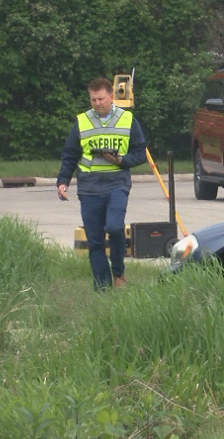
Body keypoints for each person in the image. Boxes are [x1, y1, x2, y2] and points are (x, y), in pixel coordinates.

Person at [57, 78, 147, 291]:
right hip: (89, 188)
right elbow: (70, 155)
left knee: (115, 227)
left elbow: (140, 153)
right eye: (93, 99)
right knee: (95, 241)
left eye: (101, 99)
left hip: (117, 184)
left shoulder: (128, 120)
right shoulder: (82, 121)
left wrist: (121, 161)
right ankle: (102, 286)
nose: (97, 103)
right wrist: (63, 181)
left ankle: (118, 272)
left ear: (111, 97)